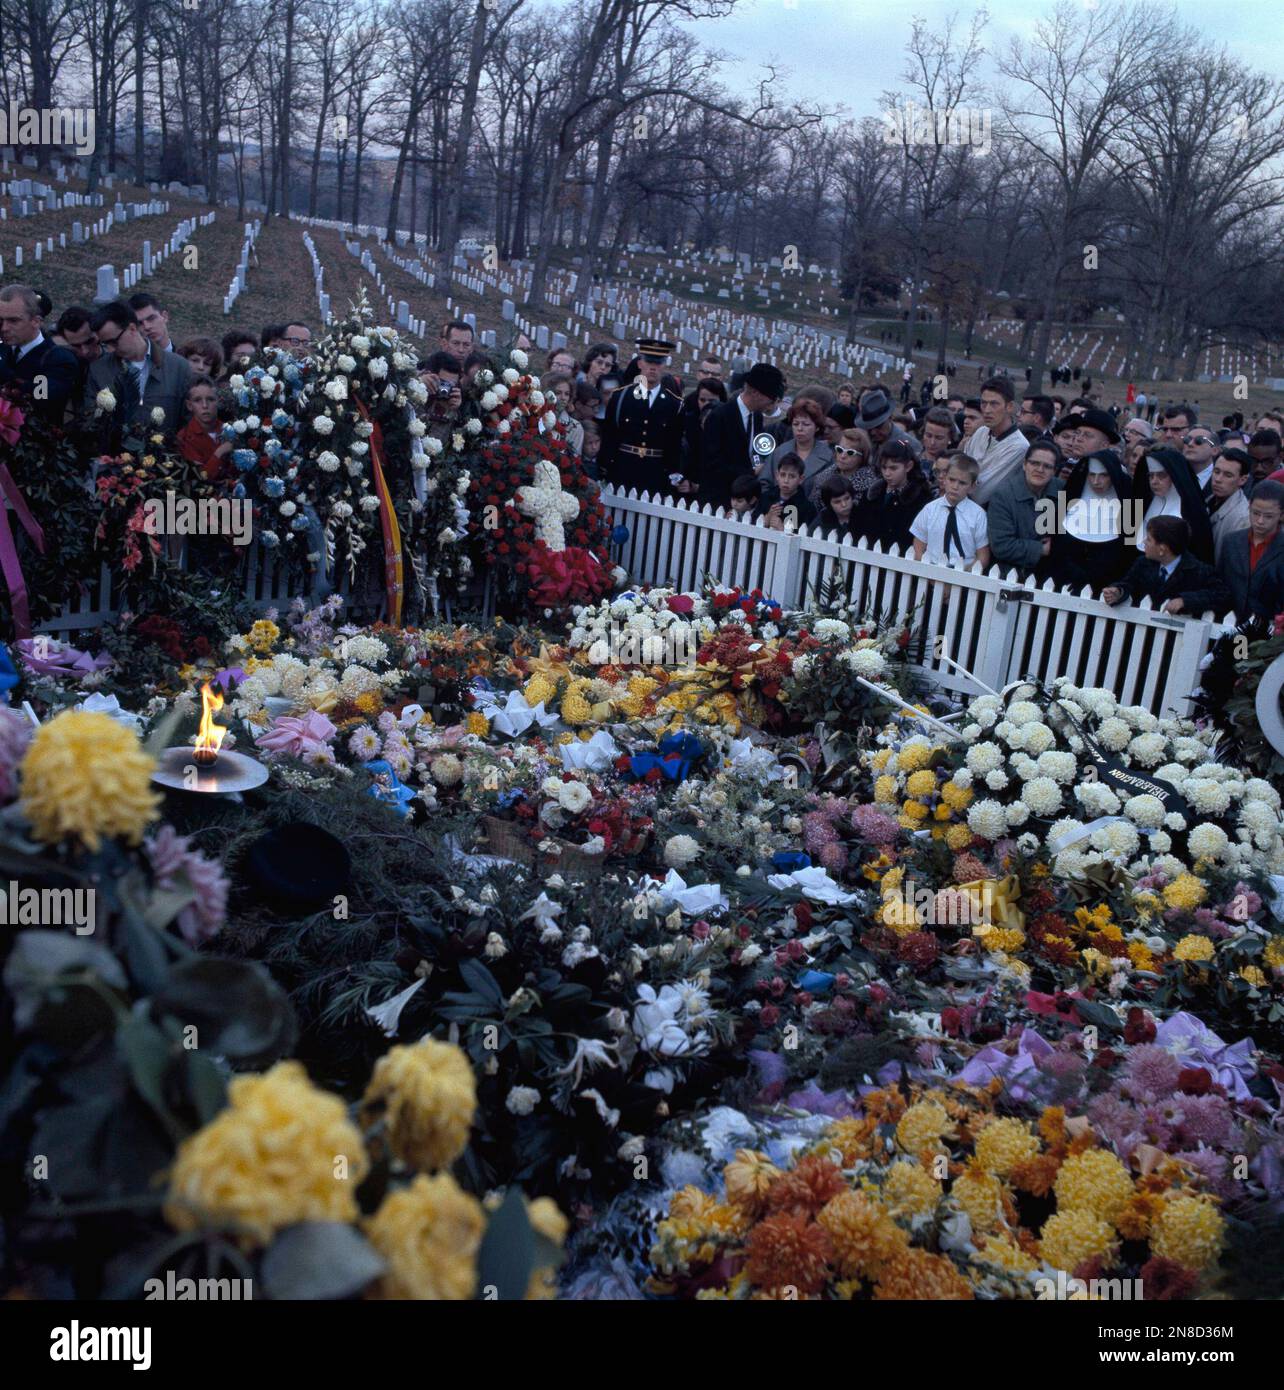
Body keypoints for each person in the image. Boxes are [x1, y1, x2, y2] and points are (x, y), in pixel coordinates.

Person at [87, 300, 193, 434]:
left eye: (114, 342)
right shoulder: (98, 370)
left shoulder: (178, 367)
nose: (110, 350)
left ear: (132, 328)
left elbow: (190, 420)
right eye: (104, 344)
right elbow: (91, 418)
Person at [600, 337, 685, 496]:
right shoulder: (621, 397)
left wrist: (673, 473)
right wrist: (605, 468)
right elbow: (610, 435)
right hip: (622, 470)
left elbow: (674, 445)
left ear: (664, 366)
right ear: (640, 363)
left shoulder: (675, 404)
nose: (653, 368)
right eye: (649, 362)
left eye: (658, 363)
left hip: (655, 474)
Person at [699, 362, 786, 510]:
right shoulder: (720, 416)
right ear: (756, 394)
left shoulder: (757, 417)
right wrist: (750, 472)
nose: (771, 406)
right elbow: (712, 463)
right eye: (771, 400)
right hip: (719, 500)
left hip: (746, 502)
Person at [1102, 515, 1229, 616]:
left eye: (1149, 539)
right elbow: (1129, 583)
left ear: (1162, 549)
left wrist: (1185, 600)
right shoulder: (1143, 563)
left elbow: (1222, 595)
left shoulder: (1199, 571)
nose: (1144, 542)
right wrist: (1118, 591)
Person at [1045, 450, 1132, 591]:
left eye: (1104, 475)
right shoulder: (1067, 504)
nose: (1096, 481)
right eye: (1092, 475)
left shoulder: (1128, 511)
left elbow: (1126, 556)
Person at [0, 284, 80, 423]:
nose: (4, 328)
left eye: (13, 321)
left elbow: (42, 394)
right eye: (1, 320)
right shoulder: (4, 349)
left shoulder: (59, 359)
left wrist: (7, 375)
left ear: (36, 321)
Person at [987, 441, 1064, 577]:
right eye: (1034, 463)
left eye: (1047, 466)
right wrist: (1041, 549)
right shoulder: (1003, 495)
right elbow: (1001, 546)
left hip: (1050, 575)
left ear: (1054, 471)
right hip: (1009, 574)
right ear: (1024, 464)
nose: (1040, 470)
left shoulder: (1062, 491)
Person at [1131, 446, 1214, 564]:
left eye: (1161, 475)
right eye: (1151, 475)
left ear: (1175, 475)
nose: (1154, 481)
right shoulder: (1145, 503)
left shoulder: (1191, 512)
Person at [911, 452, 989, 569]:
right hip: (929, 575)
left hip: (964, 578)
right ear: (944, 479)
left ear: (972, 487)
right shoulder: (930, 509)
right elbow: (918, 545)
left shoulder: (978, 515)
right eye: (952, 480)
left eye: (962, 483)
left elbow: (983, 556)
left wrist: (965, 576)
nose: (955, 487)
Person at [854, 439, 932, 552]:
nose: (887, 473)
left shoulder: (920, 499)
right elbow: (858, 526)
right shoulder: (871, 495)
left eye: (893, 468)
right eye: (884, 467)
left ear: (908, 466)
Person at [966, 375, 1035, 505]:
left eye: (994, 404)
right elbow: (960, 468)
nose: (987, 410)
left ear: (1009, 407)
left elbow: (980, 492)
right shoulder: (981, 431)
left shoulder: (1019, 447)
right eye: (984, 403)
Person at [1221, 481, 1284, 621]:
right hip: (1228, 622)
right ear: (1249, 507)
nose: (1260, 521)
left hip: (1268, 630)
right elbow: (1220, 583)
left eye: (1268, 516)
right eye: (1255, 513)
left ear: (1281, 515)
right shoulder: (1231, 542)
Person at [761, 398, 833, 492]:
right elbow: (764, 483)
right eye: (795, 424)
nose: (800, 428)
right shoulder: (779, 452)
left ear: (817, 427)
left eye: (806, 424)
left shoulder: (828, 455)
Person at [177, 375, 233, 480]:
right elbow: (200, 478)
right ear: (189, 405)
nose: (204, 405)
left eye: (210, 399)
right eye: (197, 400)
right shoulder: (183, 437)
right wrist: (219, 452)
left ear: (219, 401)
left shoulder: (230, 430)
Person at [810, 426, 877, 505]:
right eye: (840, 449)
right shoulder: (822, 479)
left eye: (850, 452)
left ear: (863, 456)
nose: (842, 456)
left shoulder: (871, 487)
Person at [1207, 449, 1251, 564]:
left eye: (1228, 475)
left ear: (1243, 479)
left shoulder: (1243, 519)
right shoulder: (1207, 500)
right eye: (1216, 472)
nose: (1218, 479)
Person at [762, 453, 815, 531]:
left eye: (792, 476)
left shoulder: (807, 508)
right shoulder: (765, 497)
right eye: (783, 475)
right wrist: (766, 519)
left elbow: (807, 537)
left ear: (801, 479)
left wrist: (782, 529)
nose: (786, 481)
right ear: (777, 475)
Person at [542, 372, 584, 454]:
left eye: (567, 394)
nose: (563, 398)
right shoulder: (537, 418)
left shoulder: (575, 427)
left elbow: (574, 459)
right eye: (558, 393)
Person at [919, 406, 957, 475]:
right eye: (928, 436)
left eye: (939, 438)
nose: (932, 442)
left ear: (950, 438)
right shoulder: (911, 460)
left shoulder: (956, 467)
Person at [1182, 424, 1219, 492]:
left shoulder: (1222, 480)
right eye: (1187, 439)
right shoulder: (1172, 474)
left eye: (1199, 441)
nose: (1190, 444)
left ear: (1214, 450)